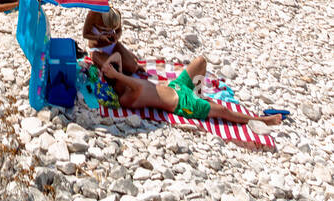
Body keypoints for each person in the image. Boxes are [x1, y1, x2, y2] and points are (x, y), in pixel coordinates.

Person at [102, 55, 282, 128]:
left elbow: (117, 56)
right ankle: (263, 120)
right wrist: (117, 74)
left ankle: (199, 93)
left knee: (200, 61)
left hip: (176, 87)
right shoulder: (126, 96)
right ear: (117, 79)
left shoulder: (126, 84)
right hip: (182, 104)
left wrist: (110, 67)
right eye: (120, 73)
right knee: (223, 111)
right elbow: (135, 84)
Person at [82, 7, 141, 75]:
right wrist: (100, 37)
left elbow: (119, 31)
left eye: (111, 29)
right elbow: (85, 34)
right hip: (97, 49)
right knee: (111, 71)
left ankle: (128, 57)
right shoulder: (93, 15)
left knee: (133, 68)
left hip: (113, 46)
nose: (108, 30)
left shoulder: (115, 14)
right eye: (105, 29)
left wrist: (117, 36)